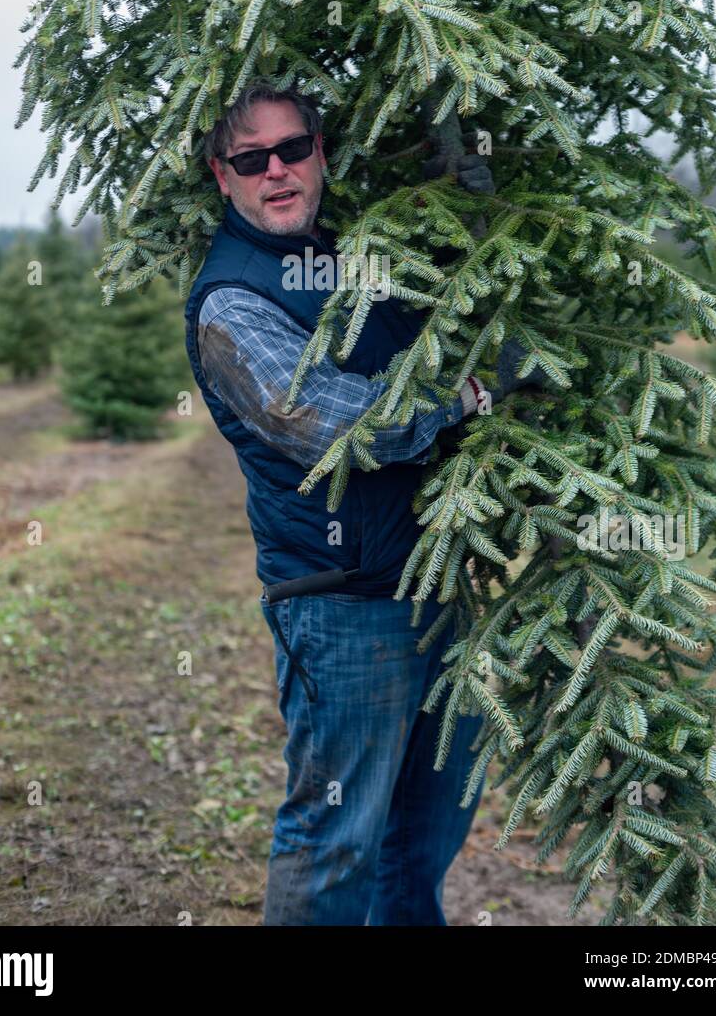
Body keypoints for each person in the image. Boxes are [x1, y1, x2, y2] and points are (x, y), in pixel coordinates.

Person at [183, 77, 539, 925]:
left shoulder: (352, 254)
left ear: (320, 155)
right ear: (221, 174)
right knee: (334, 839)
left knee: (420, 841)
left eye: (293, 149)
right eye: (251, 158)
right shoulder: (233, 301)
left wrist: (472, 193)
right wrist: (466, 401)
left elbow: (449, 314)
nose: (277, 171)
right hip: (342, 612)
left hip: (433, 591)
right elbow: (342, 428)